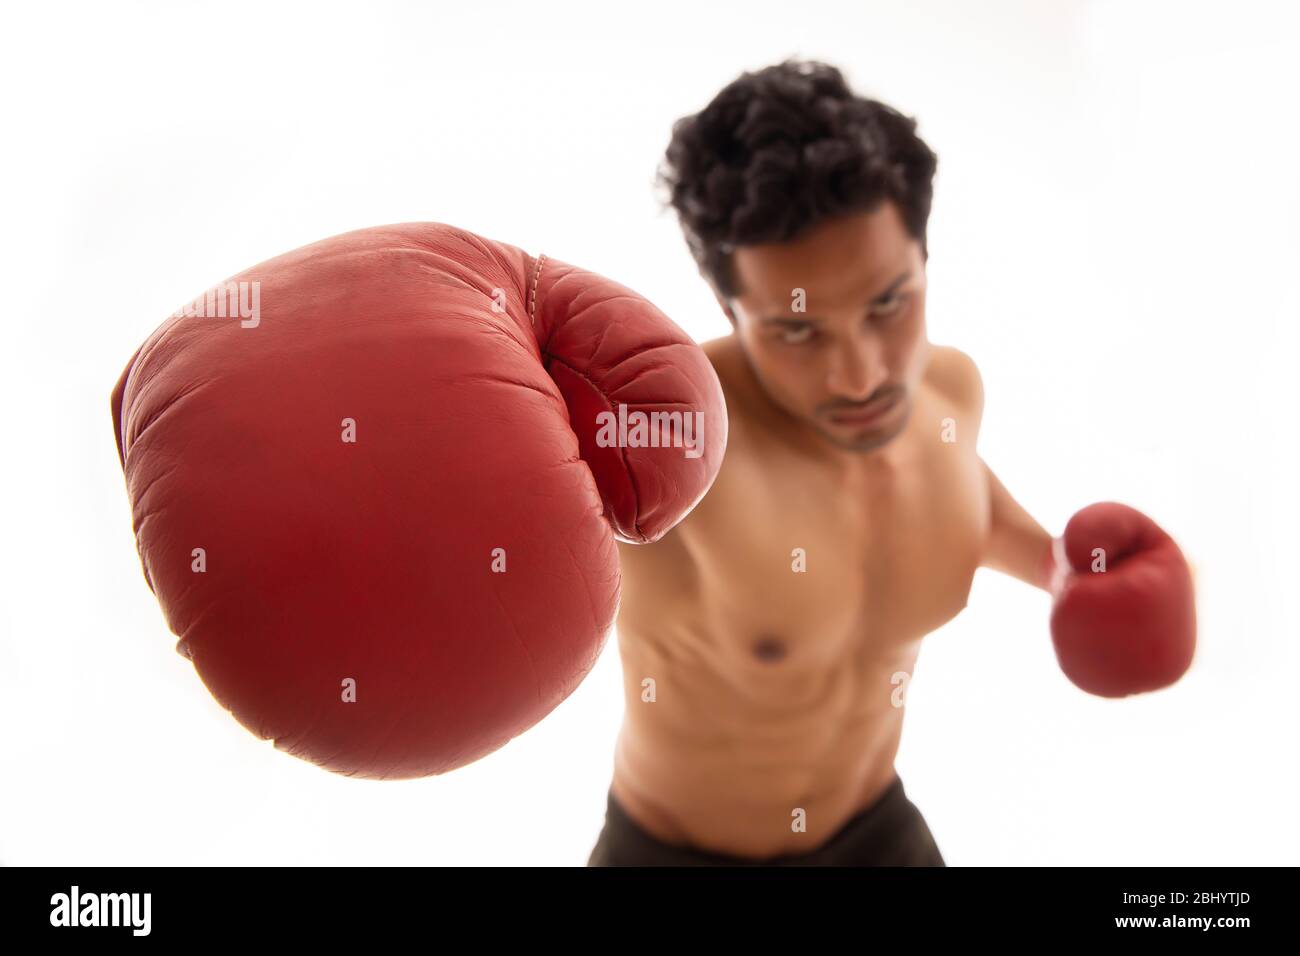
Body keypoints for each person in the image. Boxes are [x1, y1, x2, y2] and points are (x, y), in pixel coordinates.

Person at [587, 59, 1065, 867]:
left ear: (924, 256)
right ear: (728, 309)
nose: (865, 377)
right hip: (671, 854)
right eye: (798, 330)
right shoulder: (661, 442)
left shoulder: (949, 391)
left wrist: (1064, 569)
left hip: (877, 833)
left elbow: (963, 496)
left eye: (889, 303)